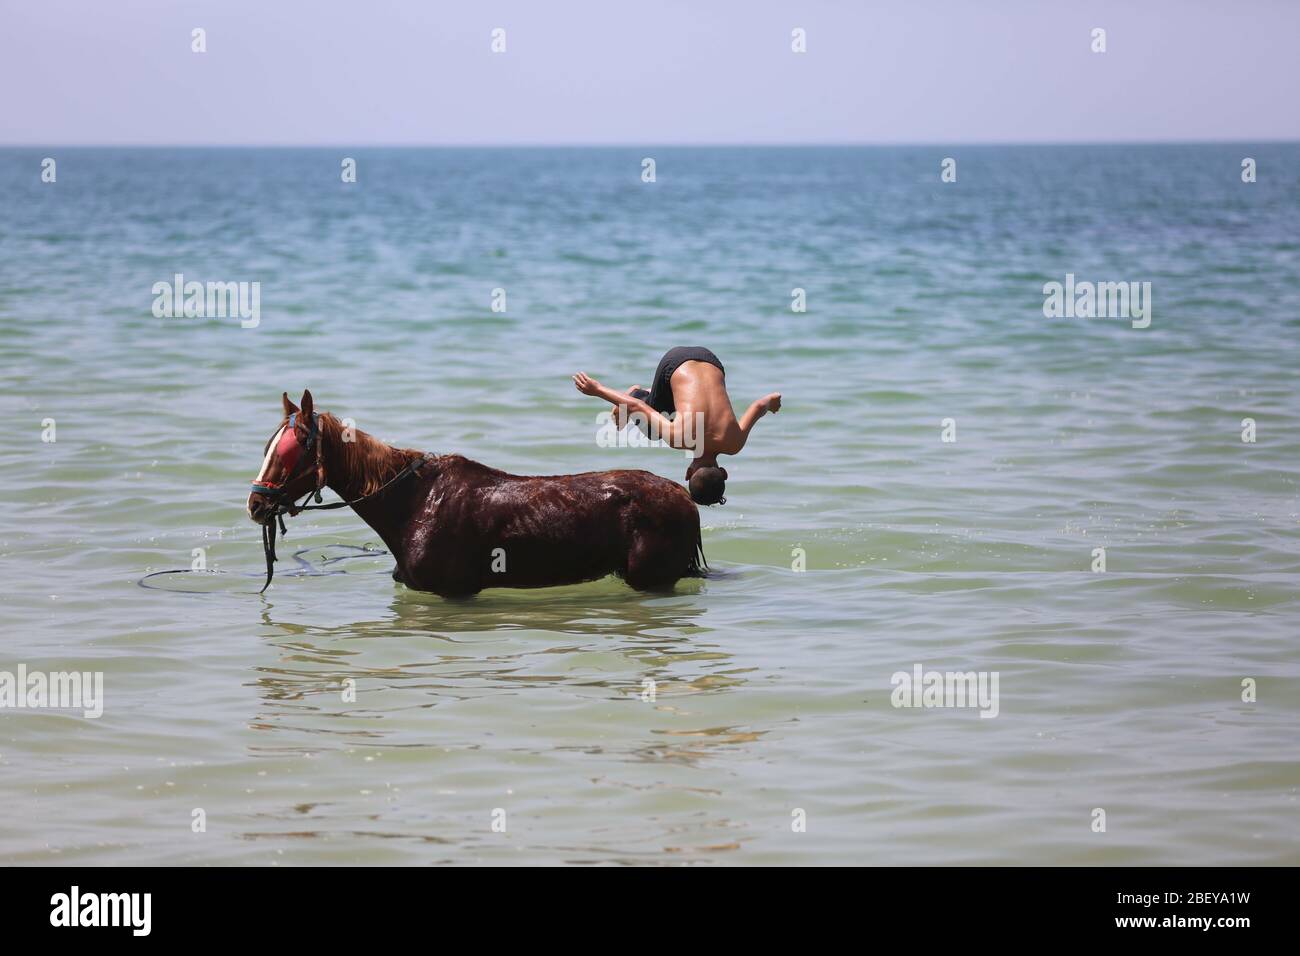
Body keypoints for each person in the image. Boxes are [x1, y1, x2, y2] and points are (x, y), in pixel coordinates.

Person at [573, 346, 781, 505]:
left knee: (673, 413)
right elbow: (636, 407)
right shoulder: (679, 438)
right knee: (654, 431)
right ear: (688, 473)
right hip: (673, 363)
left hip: (711, 361)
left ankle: (653, 392)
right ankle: (638, 390)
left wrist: (773, 402)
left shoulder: (734, 444)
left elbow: (761, 404)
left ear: (724, 473)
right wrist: (597, 389)